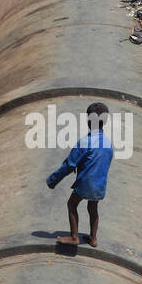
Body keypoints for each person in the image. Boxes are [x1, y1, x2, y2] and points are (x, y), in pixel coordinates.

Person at [46, 102, 113, 247]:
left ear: (89, 121)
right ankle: (93, 239)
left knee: (72, 204)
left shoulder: (84, 142)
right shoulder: (108, 143)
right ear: (105, 122)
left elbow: (69, 164)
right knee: (93, 208)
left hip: (85, 183)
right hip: (100, 184)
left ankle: (74, 237)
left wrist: (52, 180)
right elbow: (99, 161)